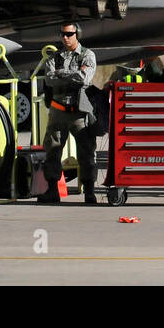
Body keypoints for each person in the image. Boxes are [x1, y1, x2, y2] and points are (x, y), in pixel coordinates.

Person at [39, 21, 98, 204]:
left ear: (77, 34)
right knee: (52, 151)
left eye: (69, 34)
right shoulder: (53, 58)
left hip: (79, 112)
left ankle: (89, 191)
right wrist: (72, 74)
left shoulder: (88, 55)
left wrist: (61, 73)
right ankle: (52, 190)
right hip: (58, 112)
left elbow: (85, 78)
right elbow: (50, 80)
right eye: (63, 34)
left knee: (87, 152)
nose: (65, 37)